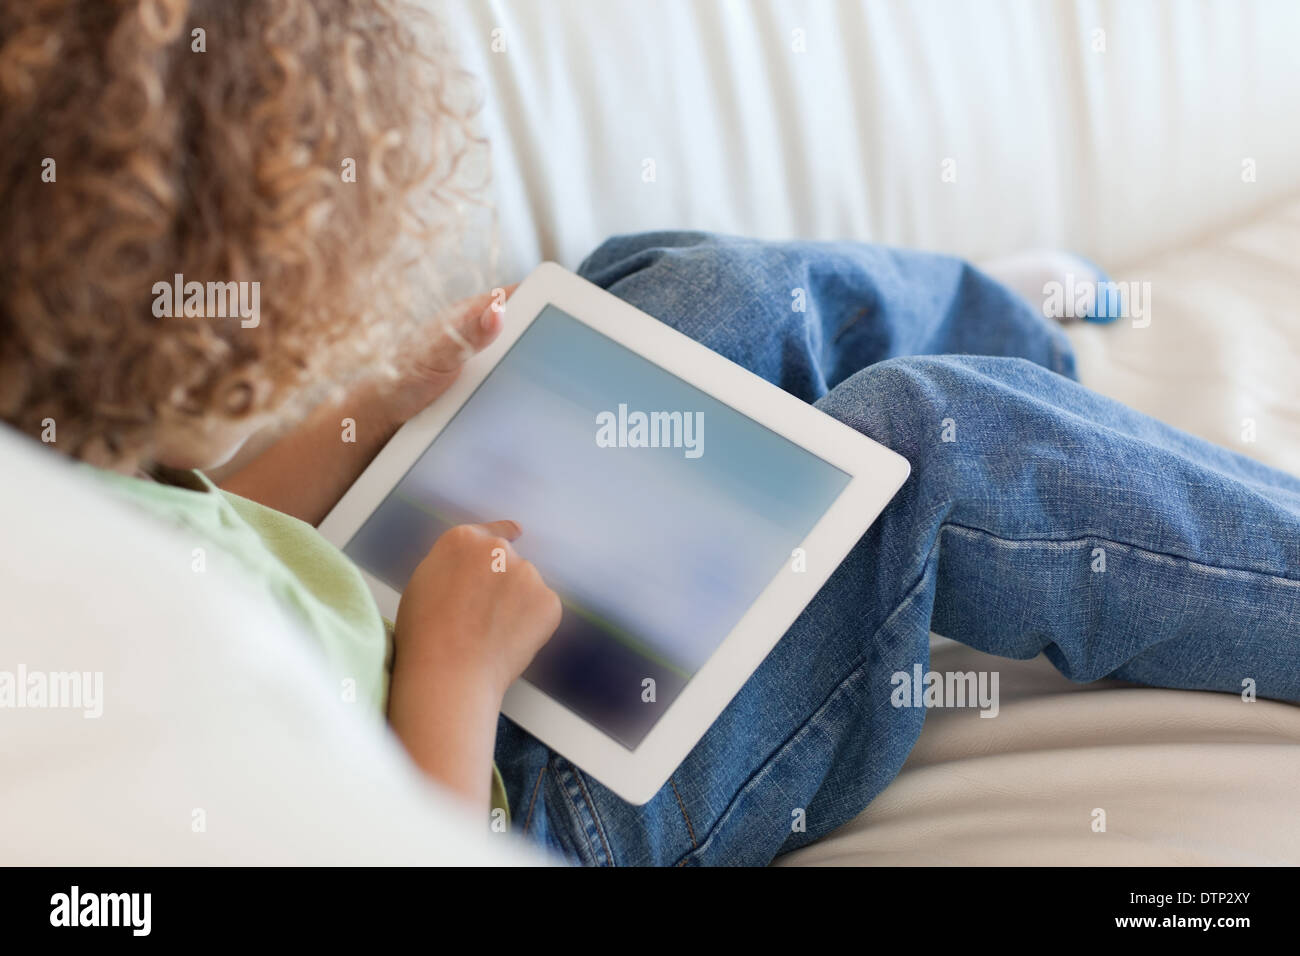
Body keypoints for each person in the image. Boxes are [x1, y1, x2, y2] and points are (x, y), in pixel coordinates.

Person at [2, 0, 1296, 867]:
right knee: (933, 443)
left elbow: (225, 522)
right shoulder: (110, 693)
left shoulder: (72, 445)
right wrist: (453, 674)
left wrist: (386, 400)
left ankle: (1027, 318)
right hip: (536, 793)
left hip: (416, 601)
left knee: (663, 294)